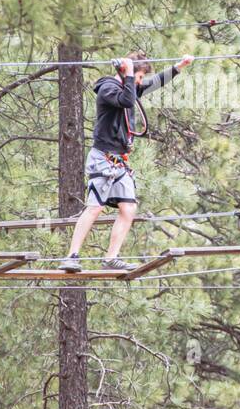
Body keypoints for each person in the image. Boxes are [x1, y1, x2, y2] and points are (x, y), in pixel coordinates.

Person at [58, 51, 194, 272]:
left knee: (128, 208)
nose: (139, 82)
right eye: (138, 76)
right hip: (103, 159)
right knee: (95, 208)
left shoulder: (129, 87)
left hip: (119, 162)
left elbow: (153, 83)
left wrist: (179, 67)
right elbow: (127, 100)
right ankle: (71, 256)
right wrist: (130, 72)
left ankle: (111, 258)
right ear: (127, 73)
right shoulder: (108, 89)